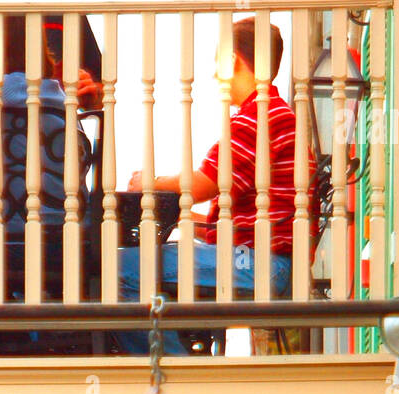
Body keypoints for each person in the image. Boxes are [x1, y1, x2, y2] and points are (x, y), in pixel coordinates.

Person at [114, 18, 298, 356]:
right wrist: (195, 223)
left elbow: (204, 184)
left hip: (258, 264)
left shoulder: (258, 117)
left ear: (232, 62)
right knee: (145, 266)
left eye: (218, 63)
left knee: (118, 271)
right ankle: (178, 358)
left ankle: (177, 371)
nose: (215, 74)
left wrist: (149, 183)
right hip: (261, 259)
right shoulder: (271, 113)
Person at [0, 15, 68, 233]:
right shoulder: (52, 91)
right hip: (63, 228)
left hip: (10, 231)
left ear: (2, 48)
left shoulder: (8, 87)